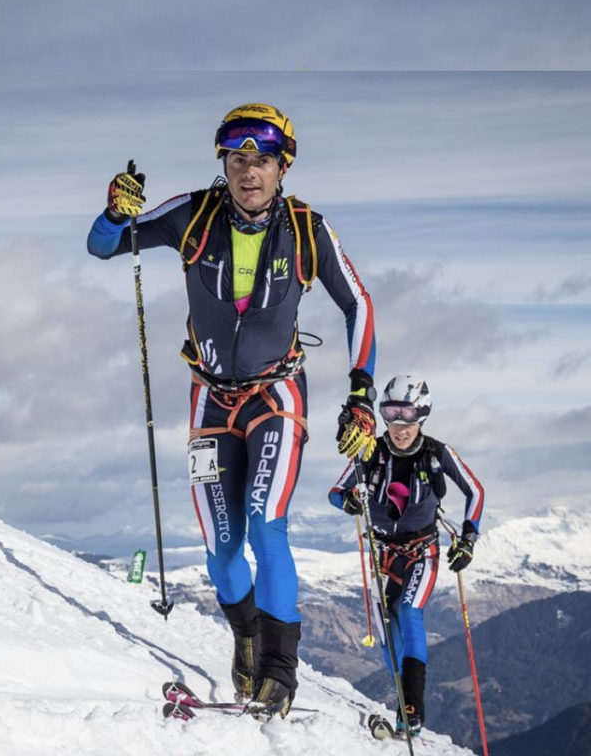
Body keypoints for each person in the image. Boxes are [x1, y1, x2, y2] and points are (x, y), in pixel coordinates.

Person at [86, 103, 377, 718]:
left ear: (283, 167)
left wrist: (361, 394)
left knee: (265, 523)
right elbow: (102, 246)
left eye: (263, 159)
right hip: (209, 398)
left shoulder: (307, 229)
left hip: (277, 396)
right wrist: (116, 211)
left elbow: (360, 305)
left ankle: (279, 669)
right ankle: (244, 632)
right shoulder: (193, 215)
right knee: (222, 547)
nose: (250, 171)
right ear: (225, 163)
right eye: (239, 158)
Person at [328, 374, 484, 736]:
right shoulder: (369, 450)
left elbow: (475, 491)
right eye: (391, 413)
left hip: (422, 552)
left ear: (423, 415)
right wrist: (349, 501)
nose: (400, 425)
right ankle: (403, 704)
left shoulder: (437, 453)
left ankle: (412, 710)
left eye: (408, 414)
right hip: (382, 554)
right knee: (387, 630)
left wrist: (469, 538)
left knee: (410, 613)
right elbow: (336, 491)